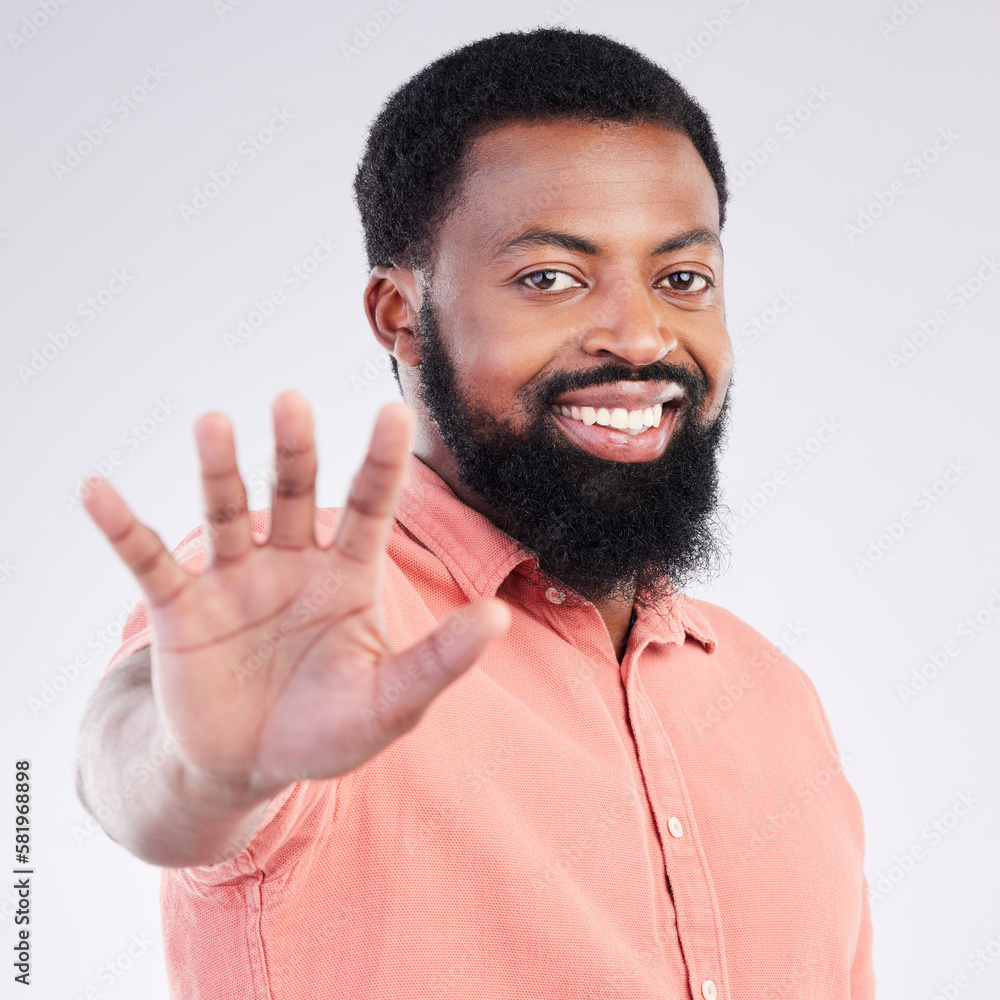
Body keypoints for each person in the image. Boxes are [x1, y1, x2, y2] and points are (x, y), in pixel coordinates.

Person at [75, 27, 873, 1000]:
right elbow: (148, 776)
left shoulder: (774, 697)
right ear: (398, 314)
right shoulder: (309, 615)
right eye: (549, 277)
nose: (639, 336)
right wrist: (207, 763)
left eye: (681, 278)